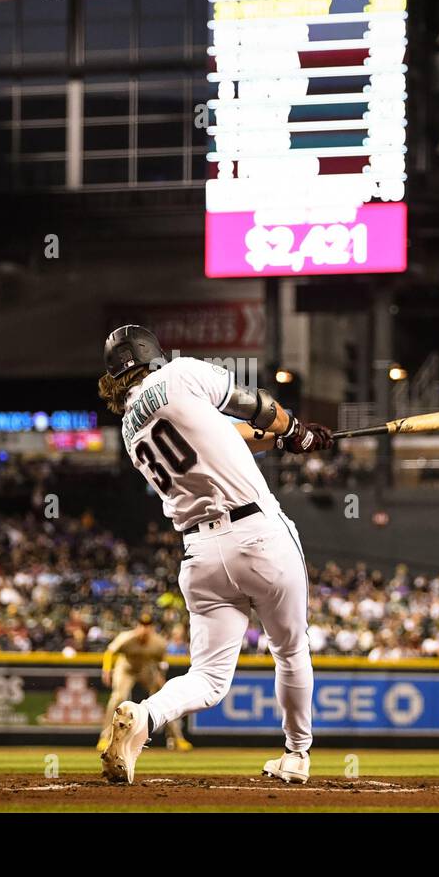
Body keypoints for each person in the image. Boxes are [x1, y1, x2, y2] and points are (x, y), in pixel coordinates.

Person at [96, 325, 333, 785]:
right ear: (152, 353)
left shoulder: (129, 425)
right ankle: (296, 754)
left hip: (200, 554)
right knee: (290, 650)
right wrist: (295, 430)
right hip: (259, 535)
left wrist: (284, 439)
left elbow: (224, 439)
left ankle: (143, 719)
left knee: (206, 679)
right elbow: (256, 406)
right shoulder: (182, 372)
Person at [97, 612, 192, 754]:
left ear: (152, 628)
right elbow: (110, 652)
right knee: (118, 697)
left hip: (146, 670)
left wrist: (160, 677)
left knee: (164, 700)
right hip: (126, 669)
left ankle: (177, 738)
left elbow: (161, 662)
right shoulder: (126, 638)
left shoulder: (158, 643)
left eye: (147, 625)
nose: (144, 628)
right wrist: (106, 669)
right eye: (142, 625)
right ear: (137, 626)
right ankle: (105, 737)